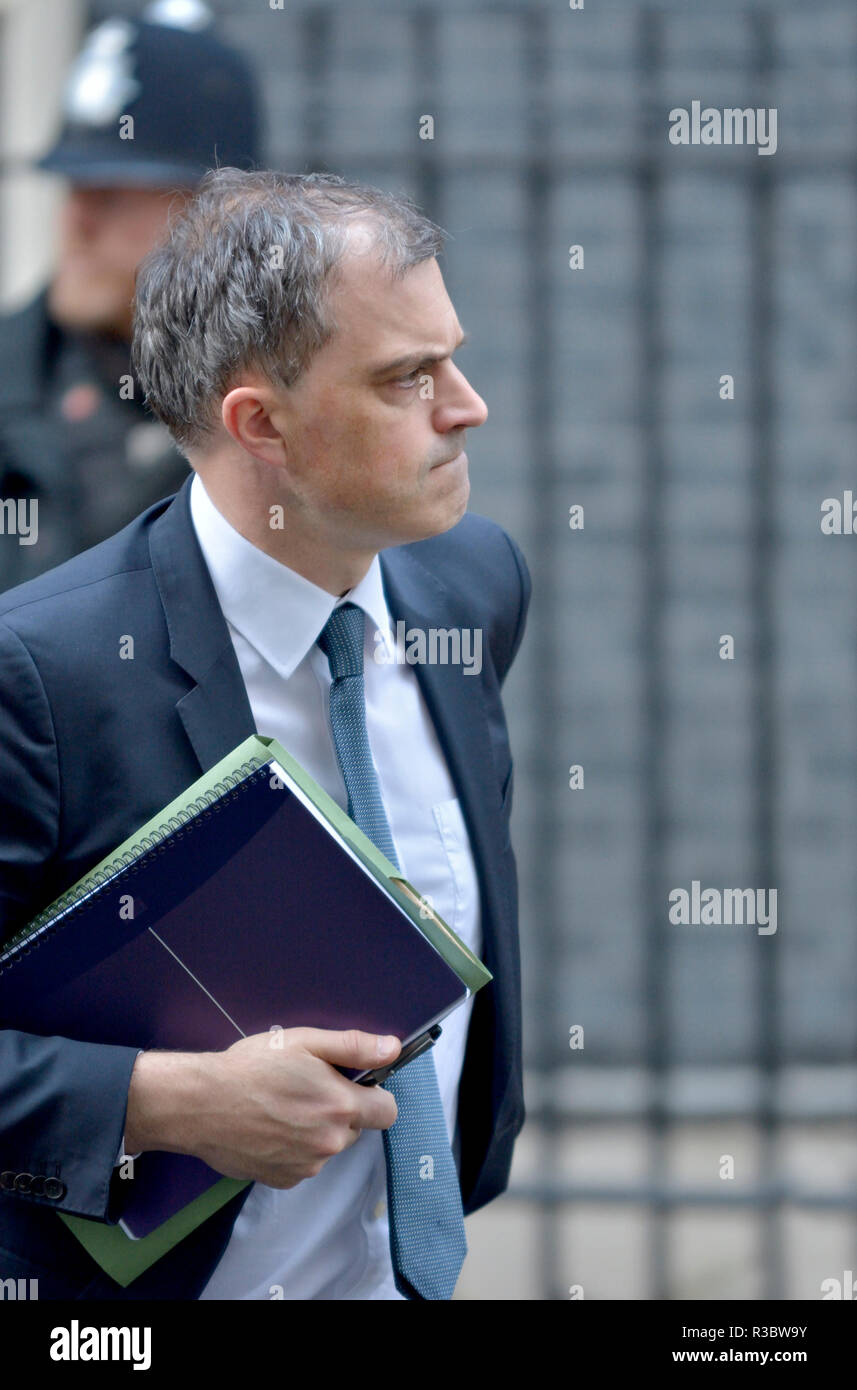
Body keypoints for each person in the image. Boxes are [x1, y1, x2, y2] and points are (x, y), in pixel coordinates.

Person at [0, 169, 530, 1301]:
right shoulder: (44, 677)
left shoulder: (472, 588)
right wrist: (163, 1102)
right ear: (260, 424)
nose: (466, 404)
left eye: (452, 354)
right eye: (409, 379)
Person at [0, 10, 261, 591]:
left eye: (111, 195)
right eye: (73, 188)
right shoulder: (18, 378)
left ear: (215, 211)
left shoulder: (280, 413)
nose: (75, 221)